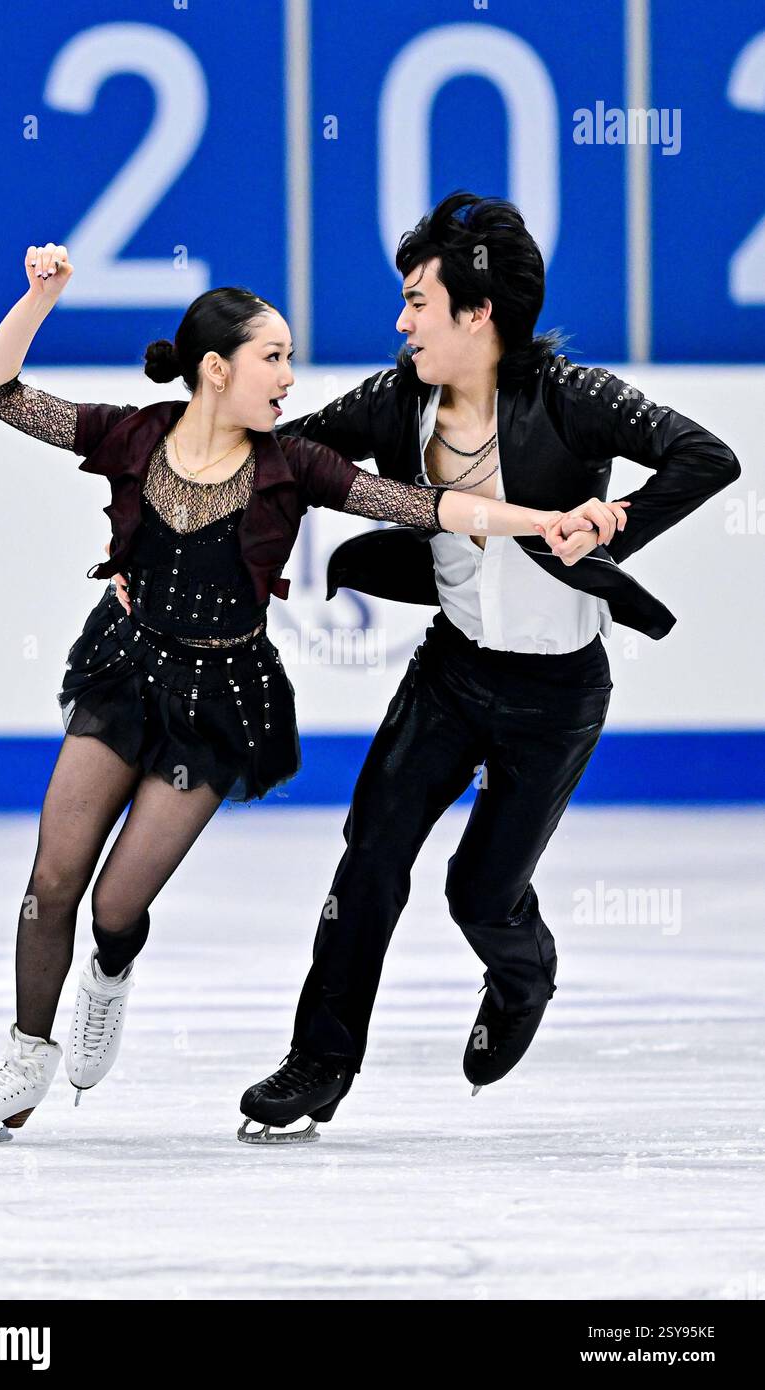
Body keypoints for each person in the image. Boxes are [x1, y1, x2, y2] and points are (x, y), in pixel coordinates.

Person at [0, 240, 600, 1144]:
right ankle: (24, 1061)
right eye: (273, 357)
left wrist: (544, 521)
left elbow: (432, 508)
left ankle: (110, 974)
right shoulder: (132, 435)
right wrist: (41, 297)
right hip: (124, 673)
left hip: (218, 704)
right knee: (52, 880)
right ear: (216, 370)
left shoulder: (294, 468)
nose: (291, 375)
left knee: (113, 906)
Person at [234, 192, 741, 1144]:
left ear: (479, 314)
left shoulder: (572, 397)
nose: (401, 321)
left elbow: (705, 455)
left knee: (479, 892)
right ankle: (320, 1062)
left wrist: (617, 524)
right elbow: (288, 458)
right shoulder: (396, 400)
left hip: (558, 694)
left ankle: (524, 970)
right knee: (373, 851)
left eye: (417, 302)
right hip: (451, 672)